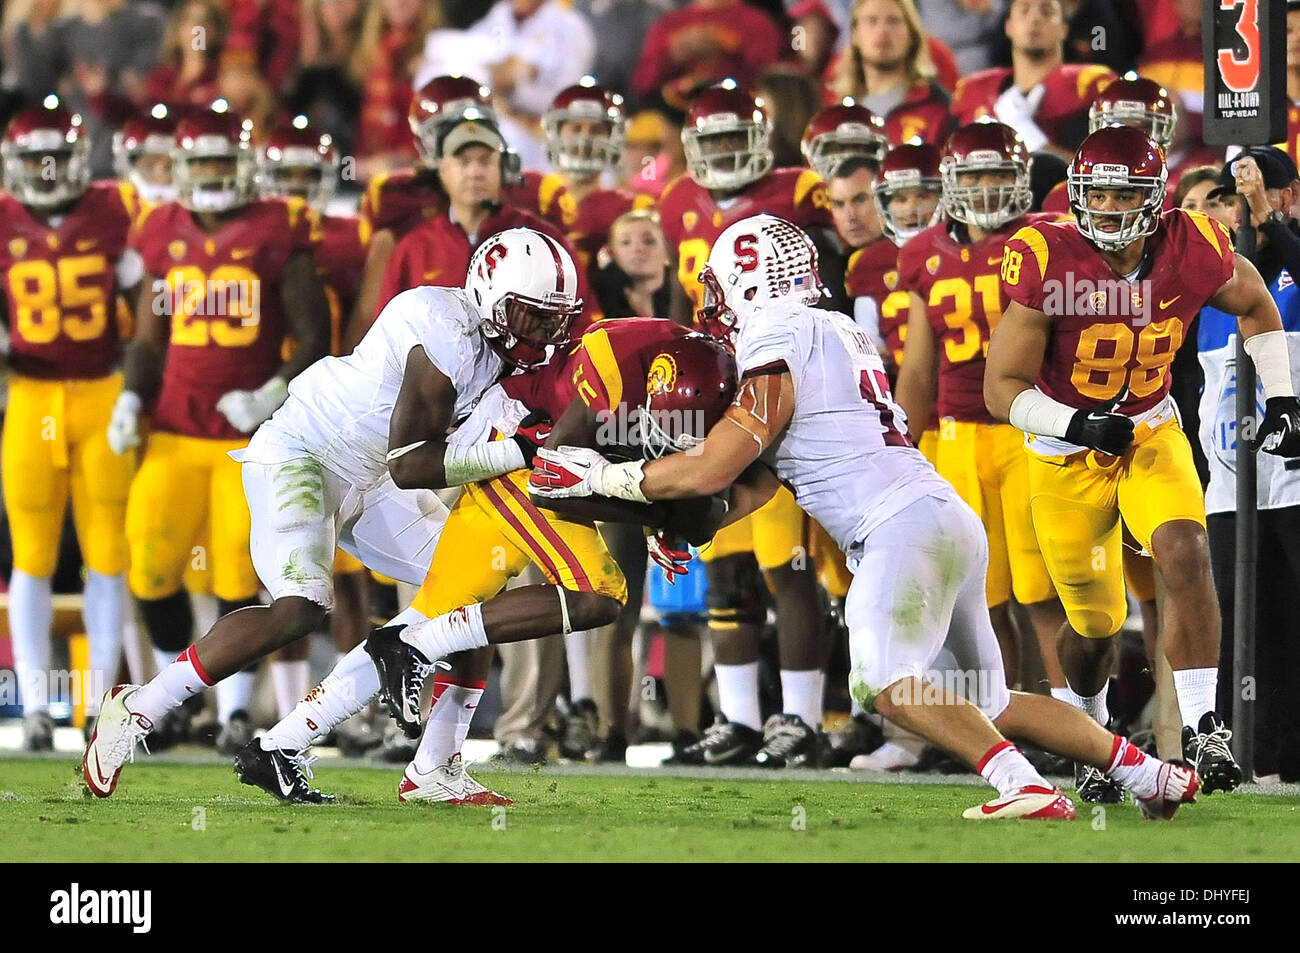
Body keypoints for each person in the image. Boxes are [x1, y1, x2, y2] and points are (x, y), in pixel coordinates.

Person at [530, 211, 1202, 821]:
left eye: (720, 286)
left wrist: (610, 474)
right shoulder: (836, 328)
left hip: (897, 528)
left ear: (748, 282)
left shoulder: (778, 334)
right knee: (987, 700)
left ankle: (1020, 782)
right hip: (942, 518)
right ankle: (1151, 776)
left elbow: (712, 467)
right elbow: (753, 488)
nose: (713, 305)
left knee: (879, 679)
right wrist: (676, 524)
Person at [82, 226, 580, 802]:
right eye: (532, 315)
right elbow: (415, 463)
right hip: (305, 453)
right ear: (492, 298)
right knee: (300, 608)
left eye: (555, 318)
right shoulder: (440, 327)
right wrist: (516, 451)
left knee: (469, 593)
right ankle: (137, 709)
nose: (545, 332)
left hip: (369, 476)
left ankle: (435, 767)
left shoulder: (503, 356)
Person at [259, 316, 731, 800]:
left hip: (541, 457)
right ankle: (416, 647)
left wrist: (675, 511)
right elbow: (554, 485)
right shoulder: (612, 371)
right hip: (523, 456)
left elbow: (708, 497)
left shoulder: (716, 383)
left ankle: (284, 745)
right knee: (598, 595)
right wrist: (652, 507)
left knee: (443, 612)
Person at [985, 125, 1300, 794]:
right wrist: (1076, 421)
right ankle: (1090, 734)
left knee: (1185, 546)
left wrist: (1283, 397)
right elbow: (1001, 387)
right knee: (1094, 626)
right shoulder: (1047, 254)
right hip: (1064, 448)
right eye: (1092, 194)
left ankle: (1203, 724)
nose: (1102, 208)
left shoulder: (1192, 245)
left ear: (1154, 200)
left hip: (1148, 429)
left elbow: (1256, 304)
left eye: (1118, 195)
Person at [96, 105, 331, 761]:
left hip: (247, 439)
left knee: (236, 564)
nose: (207, 172)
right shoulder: (161, 226)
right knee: (147, 560)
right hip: (172, 429)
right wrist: (131, 396)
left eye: (219, 161)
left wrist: (267, 394)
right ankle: (182, 693)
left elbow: (315, 337)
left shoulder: (276, 227)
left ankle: (230, 713)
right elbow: (149, 336)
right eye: (198, 161)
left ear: (244, 165)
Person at [891, 119, 1079, 790]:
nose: (985, 188)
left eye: (998, 175)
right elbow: (917, 366)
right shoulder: (921, 254)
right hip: (956, 434)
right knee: (974, 598)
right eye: (972, 176)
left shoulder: (1044, 240)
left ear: (1022, 179)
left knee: (1039, 589)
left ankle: (1070, 724)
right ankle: (992, 733)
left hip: (1028, 427)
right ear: (950, 183)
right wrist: (901, 443)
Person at [659, 82, 836, 767]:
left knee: (786, 564)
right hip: (716, 394)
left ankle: (802, 718)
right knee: (726, 567)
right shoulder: (679, 201)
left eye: (740, 137)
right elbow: (685, 304)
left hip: (775, 387)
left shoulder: (799, 192)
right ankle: (738, 719)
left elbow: (831, 281)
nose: (730, 152)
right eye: (717, 139)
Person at [0, 99, 139, 749]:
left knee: (107, 552)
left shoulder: (114, 210)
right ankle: (33, 706)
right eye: (35, 159)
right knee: (30, 555)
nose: (47, 171)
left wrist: (140, 389)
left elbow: (149, 308)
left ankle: (97, 705)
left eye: (56, 157)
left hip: (103, 391)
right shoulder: (3, 220)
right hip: (29, 396)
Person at [1196, 149, 1300, 781]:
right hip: (1230, 485)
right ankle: (1254, 755)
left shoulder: (1291, 262)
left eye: (1249, 194)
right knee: (1238, 629)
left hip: (1295, 478)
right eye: (1222, 197)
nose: (1231, 209)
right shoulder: (1207, 280)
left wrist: (1271, 222)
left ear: (1287, 194)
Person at [951, 0, 1113, 160]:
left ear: (1064, 29)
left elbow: (1101, 173)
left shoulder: (1088, 85)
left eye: (1046, 11)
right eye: (1024, 10)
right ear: (1008, 26)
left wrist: (1029, 135)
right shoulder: (974, 88)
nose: (1034, 19)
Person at [827, 0, 953, 145]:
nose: (882, 31)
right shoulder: (838, 115)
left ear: (912, 35)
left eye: (893, 21)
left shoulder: (940, 107)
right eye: (872, 21)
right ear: (855, 34)